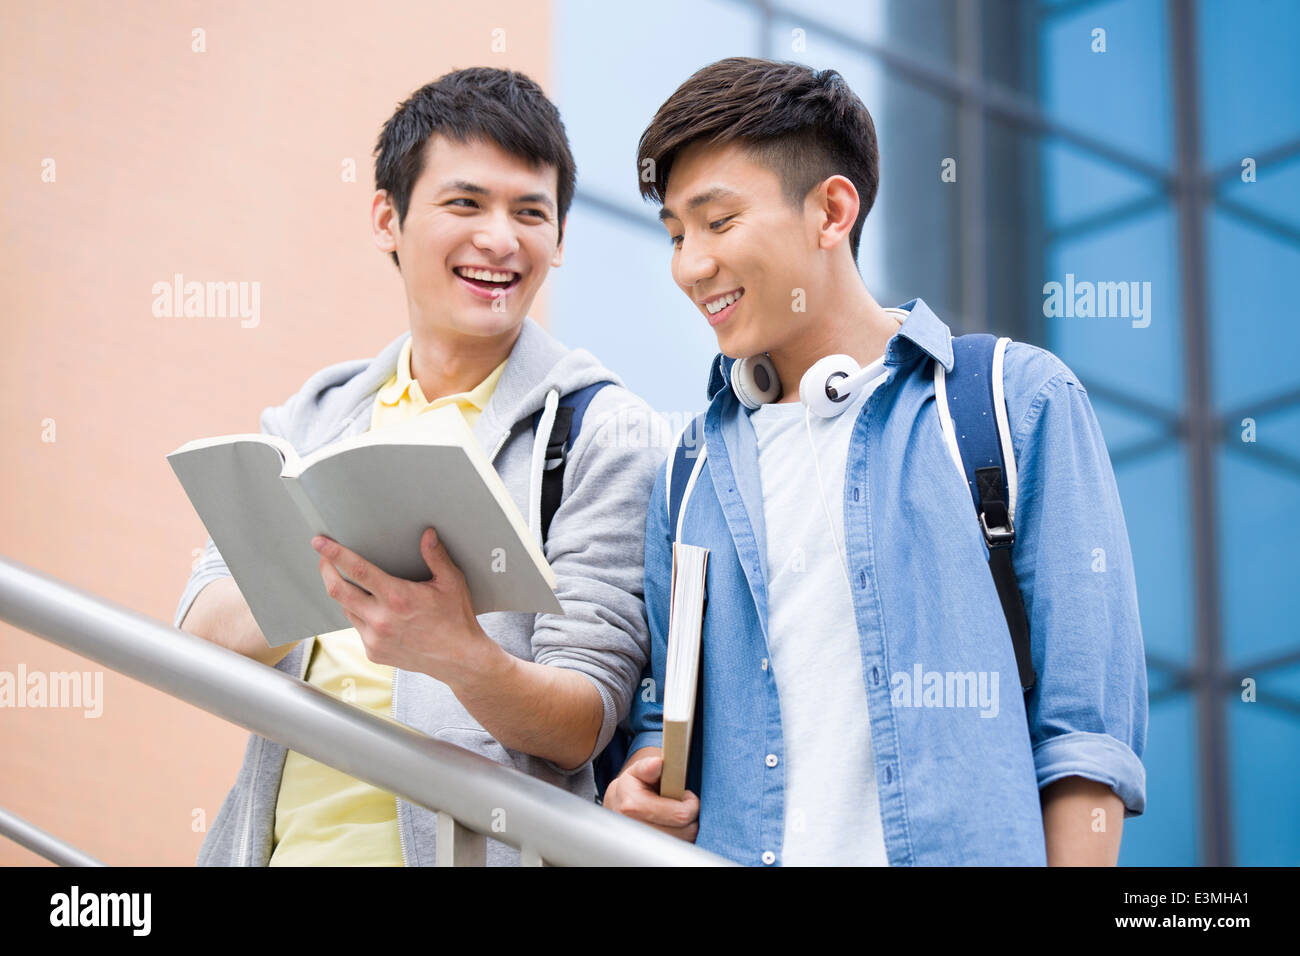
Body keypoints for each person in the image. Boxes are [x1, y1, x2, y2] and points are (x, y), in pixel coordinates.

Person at [604, 57, 1148, 866]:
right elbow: (665, 721)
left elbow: (1084, 740)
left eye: (718, 223)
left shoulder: (1011, 403)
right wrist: (641, 778)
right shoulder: (690, 473)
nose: (690, 266)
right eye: (676, 234)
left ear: (832, 211)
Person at [174, 67, 665, 866]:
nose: (500, 240)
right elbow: (200, 638)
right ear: (388, 219)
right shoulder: (317, 413)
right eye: (465, 203)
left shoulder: (604, 433)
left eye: (530, 212)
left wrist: (455, 651)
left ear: (560, 239)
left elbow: (581, 720)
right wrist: (324, 570)